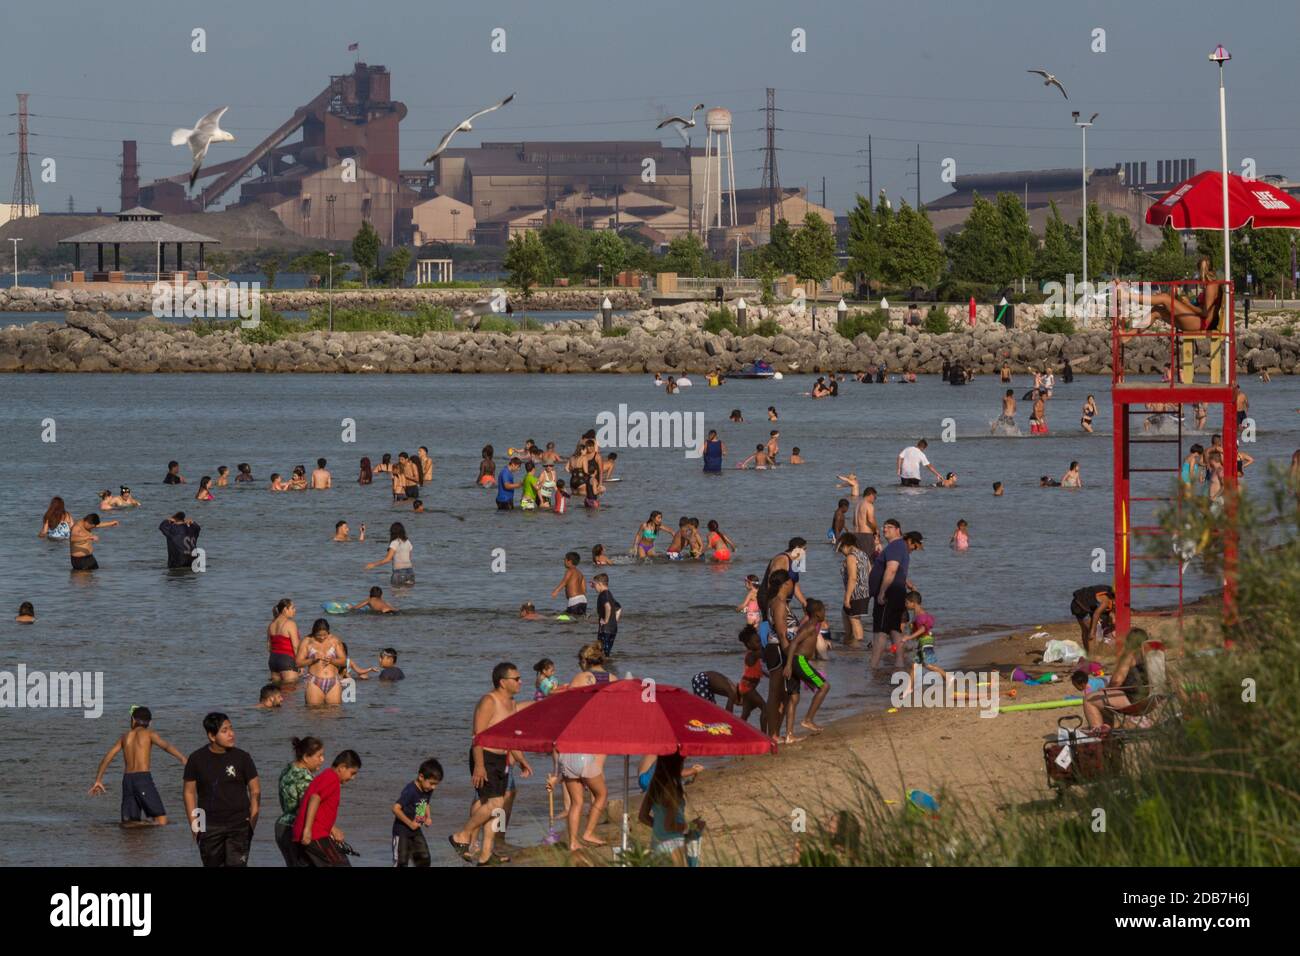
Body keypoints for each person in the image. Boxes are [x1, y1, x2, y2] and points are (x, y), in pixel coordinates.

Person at [450, 662, 534, 866]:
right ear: (503, 682)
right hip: (485, 757)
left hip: (501, 759)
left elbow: (509, 739)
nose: (520, 682)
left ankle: (486, 854)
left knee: (496, 807)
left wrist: (522, 761)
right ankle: (462, 835)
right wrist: (479, 765)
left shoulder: (512, 704)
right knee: (496, 803)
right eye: (516, 679)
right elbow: (477, 736)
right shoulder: (489, 700)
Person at [182, 713, 260, 867]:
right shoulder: (196, 759)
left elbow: (255, 790)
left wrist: (252, 823)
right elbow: (189, 793)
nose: (231, 734)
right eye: (224, 731)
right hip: (208, 825)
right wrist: (195, 826)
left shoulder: (242, 757)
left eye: (231, 728)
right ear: (211, 736)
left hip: (240, 824)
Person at [89, 706, 186, 827]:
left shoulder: (125, 737)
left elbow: (108, 757)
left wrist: (98, 780)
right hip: (143, 779)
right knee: (162, 821)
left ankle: (133, 843)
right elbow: (166, 746)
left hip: (127, 780)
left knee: (130, 823)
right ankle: (147, 829)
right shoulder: (149, 733)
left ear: (133, 720)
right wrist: (183, 758)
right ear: (150, 723)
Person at [294, 750, 361, 867]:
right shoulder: (332, 778)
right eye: (352, 773)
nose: (353, 778)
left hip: (310, 835)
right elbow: (314, 798)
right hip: (315, 835)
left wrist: (332, 829)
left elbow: (319, 808)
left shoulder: (326, 776)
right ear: (342, 767)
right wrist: (308, 830)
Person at [870, 521, 921, 671]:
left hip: (889, 594)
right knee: (894, 629)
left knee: (880, 632)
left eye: (889, 527)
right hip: (896, 592)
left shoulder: (895, 546)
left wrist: (882, 592)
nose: (885, 529)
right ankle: (899, 662)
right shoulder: (898, 547)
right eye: (884, 527)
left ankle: (873, 666)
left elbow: (891, 570)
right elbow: (897, 570)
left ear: (898, 530)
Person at [637, 753, 704, 865]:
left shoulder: (653, 787)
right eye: (681, 763)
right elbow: (669, 825)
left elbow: (643, 817)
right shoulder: (672, 790)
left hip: (656, 842)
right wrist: (691, 826)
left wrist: (659, 826)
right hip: (672, 844)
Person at [782, 600, 831, 739]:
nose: (825, 613)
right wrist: (789, 665)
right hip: (799, 661)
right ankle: (808, 720)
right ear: (817, 613)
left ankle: (789, 735)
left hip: (797, 662)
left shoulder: (814, 624)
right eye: (823, 611)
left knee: (794, 697)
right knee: (824, 686)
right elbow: (794, 644)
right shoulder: (809, 627)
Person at [275, 736, 323, 866]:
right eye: (319, 756)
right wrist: (332, 829)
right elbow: (308, 807)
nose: (322, 760)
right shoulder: (304, 777)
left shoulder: (287, 769)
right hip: (296, 830)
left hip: (282, 827)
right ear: (306, 757)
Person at [895, 590, 948, 698]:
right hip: (922, 642)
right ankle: (908, 689)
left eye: (907, 603)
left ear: (913, 603)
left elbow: (923, 628)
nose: (906, 605)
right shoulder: (917, 613)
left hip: (926, 641)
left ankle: (948, 677)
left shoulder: (920, 614)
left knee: (928, 665)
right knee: (915, 666)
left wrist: (909, 637)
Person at [392, 758, 443, 867]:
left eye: (436, 784)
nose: (434, 787)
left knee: (424, 860)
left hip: (416, 831)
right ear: (421, 777)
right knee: (401, 863)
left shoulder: (427, 789)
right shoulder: (410, 791)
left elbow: (424, 803)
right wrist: (410, 824)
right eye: (432, 783)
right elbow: (395, 808)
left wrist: (428, 817)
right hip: (402, 832)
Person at [297, 618, 345, 706]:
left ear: (328, 631)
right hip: (314, 682)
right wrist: (312, 659)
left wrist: (332, 660)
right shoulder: (307, 641)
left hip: (333, 681)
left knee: (335, 713)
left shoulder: (335, 640)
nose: (322, 637)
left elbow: (343, 661)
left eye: (325, 635)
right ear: (314, 632)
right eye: (319, 635)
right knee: (314, 713)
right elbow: (298, 663)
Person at [838, 532, 871, 646]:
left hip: (855, 593)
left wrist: (847, 598)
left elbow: (852, 578)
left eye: (841, 548)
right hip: (864, 592)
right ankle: (849, 641)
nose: (841, 552)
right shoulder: (863, 554)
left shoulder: (851, 556)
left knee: (855, 621)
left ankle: (858, 647)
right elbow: (869, 571)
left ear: (845, 545)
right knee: (846, 614)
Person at [366, 522, 414, 586]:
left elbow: (387, 559)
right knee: (407, 595)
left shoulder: (394, 542)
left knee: (396, 593)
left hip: (399, 572)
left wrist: (373, 564)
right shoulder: (408, 542)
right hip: (410, 572)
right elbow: (409, 558)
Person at [1070, 586, 1115, 653]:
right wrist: (1093, 630)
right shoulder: (1106, 601)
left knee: (1085, 631)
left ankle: (1088, 653)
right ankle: (1092, 656)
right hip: (1081, 607)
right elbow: (1096, 614)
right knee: (1091, 633)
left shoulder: (1106, 593)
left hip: (1075, 603)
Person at [267, 598, 300, 684]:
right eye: (293, 608)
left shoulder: (271, 624)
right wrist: (300, 664)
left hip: (273, 660)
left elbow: (269, 646)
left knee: (276, 693)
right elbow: (296, 646)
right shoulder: (290, 624)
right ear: (285, 609)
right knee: (291, 692)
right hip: (287, 660)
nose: (295, 610)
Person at [551, 551, 588, 617]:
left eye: (564, 560)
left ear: (569, 561)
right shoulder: (580, 573)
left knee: (569, 623)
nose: (564, 562)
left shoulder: (570, 571)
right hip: (583, 600)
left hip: (574, 600)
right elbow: (584, 590)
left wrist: (556, 591)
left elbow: (564, 582)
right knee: (578, 619)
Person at [594, 573, 621, 656]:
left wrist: (606, 620)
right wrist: (615, 620)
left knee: (601, 653)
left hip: (605, 629)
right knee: (607, 652)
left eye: (595, 584)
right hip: (613, 629)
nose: (594, 587)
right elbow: (619, 608)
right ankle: (608, 667)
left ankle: (604, 667)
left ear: (600, 584)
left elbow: (608, 607)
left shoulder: (603, 594)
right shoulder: (609, 594)